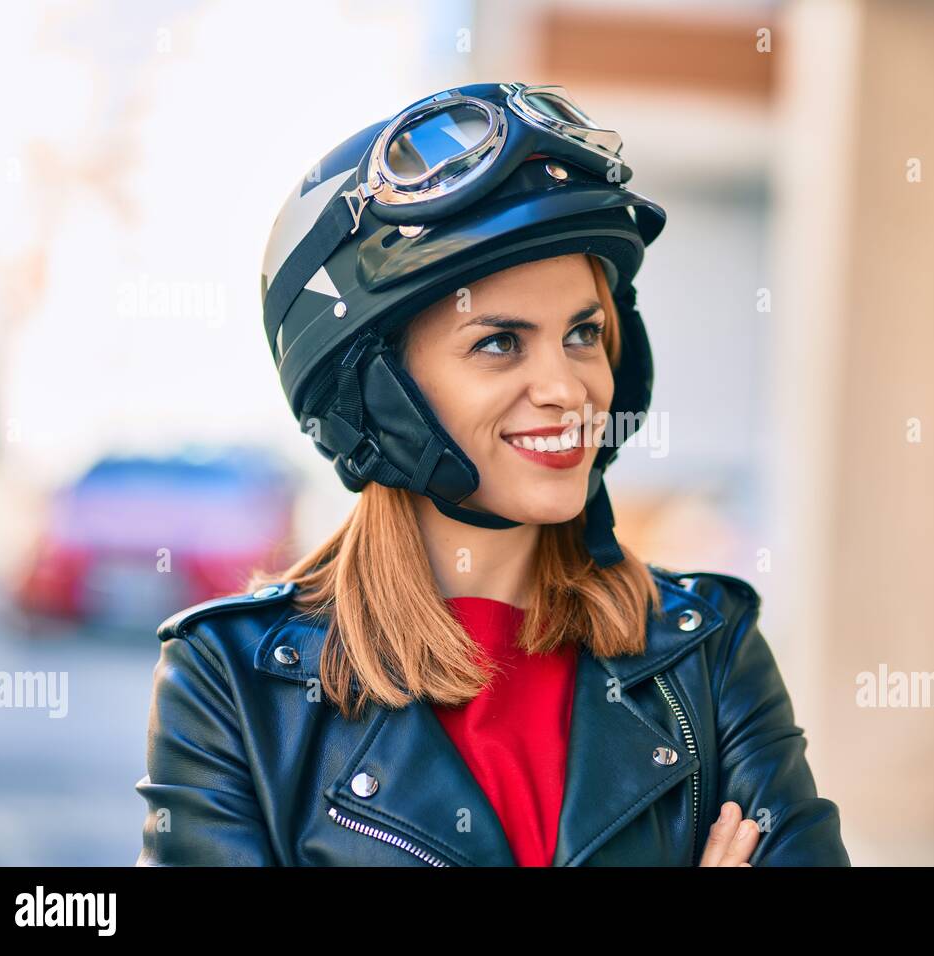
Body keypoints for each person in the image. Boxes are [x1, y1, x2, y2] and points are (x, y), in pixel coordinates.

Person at [134, 82, 851, 867]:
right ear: (373, 397)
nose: (568, 388)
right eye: (500, 343)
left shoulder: (708, 649)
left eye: (583, 334)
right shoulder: (233, 682)